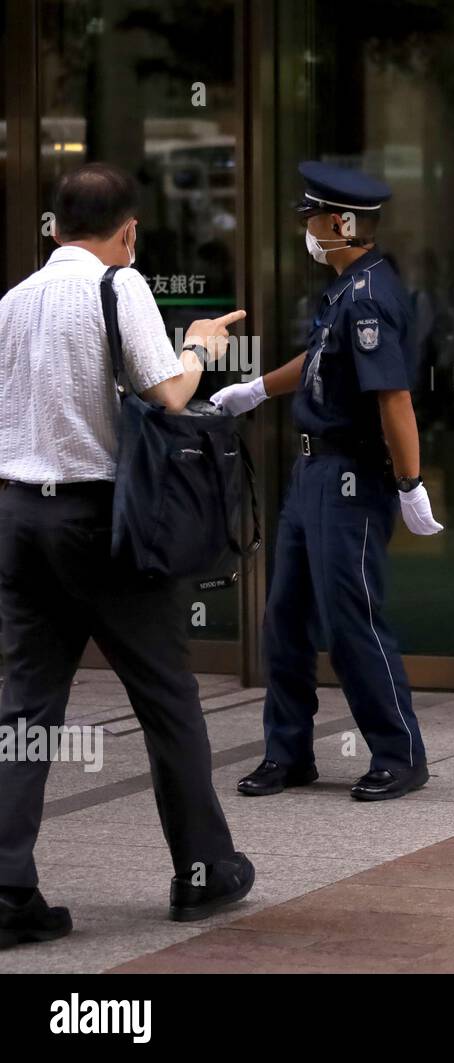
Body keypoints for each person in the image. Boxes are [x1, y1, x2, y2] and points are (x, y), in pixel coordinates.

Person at [0, 162, 254, 946]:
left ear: (53, 227)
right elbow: (168, 394)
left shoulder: (13, 301)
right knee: (166, 695)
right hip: (102, 522)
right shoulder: (120, 284)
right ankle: (203, 871)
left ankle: (9, 892)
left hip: (19, 515)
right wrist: (201, 345)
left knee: (25, 709)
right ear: (129, 231)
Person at [213, 162, 442, 802]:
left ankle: (399, 754)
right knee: (285, 617)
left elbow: (393, 398)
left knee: (352, 618)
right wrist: (256, 389)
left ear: (339, 224)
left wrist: (410, 483)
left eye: (312, 219)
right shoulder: (345, 287)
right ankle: (288, 754)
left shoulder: (369, 297)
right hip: (313, 470)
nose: (306, 230)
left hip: (350, 474)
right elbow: (318, 361)